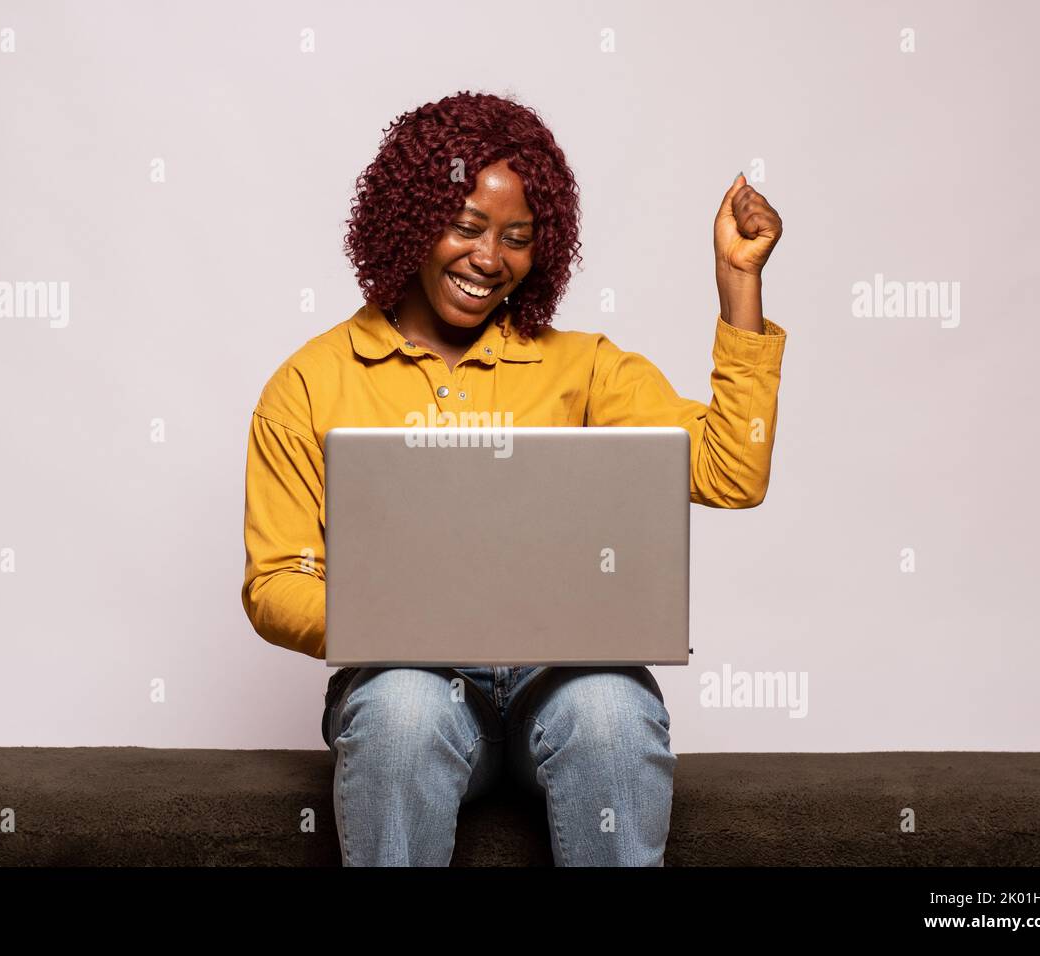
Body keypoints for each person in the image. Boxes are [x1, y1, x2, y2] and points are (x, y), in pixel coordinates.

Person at [242, 90, 786, 866]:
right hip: (409, 679)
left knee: (610, 711)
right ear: (410, 218)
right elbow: (276, 583)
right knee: (399, 713)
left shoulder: (585, 367)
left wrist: (739, 287)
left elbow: (731, 471)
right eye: (465, 227)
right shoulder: (309, 383)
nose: (488, 259)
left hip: (559, 681)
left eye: (518, 238)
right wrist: (409, 620)